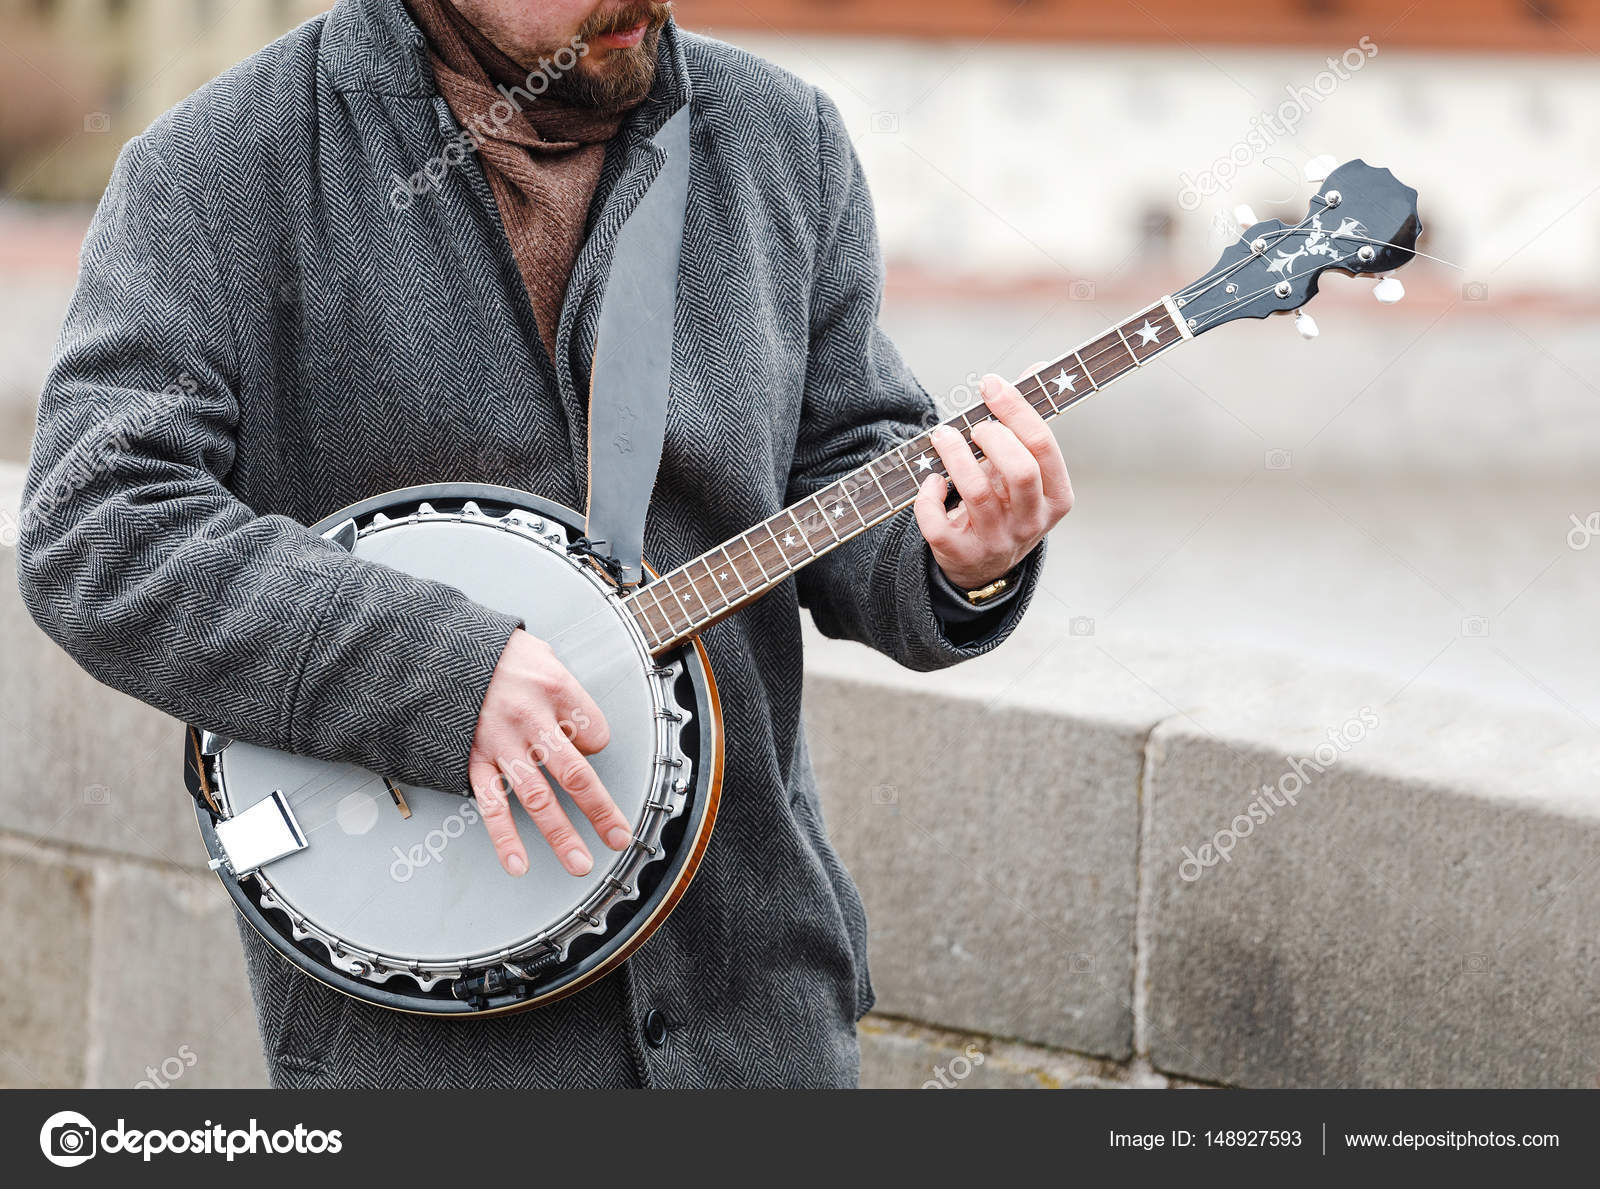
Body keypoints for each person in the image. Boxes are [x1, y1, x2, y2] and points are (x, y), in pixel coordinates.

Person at [17, 0, 1073, 1088]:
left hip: (758, 1022)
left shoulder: (782, 139)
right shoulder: (218, 173)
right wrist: (439, 672)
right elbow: (98, 524)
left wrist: (953, 557)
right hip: (429, 1057)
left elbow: (846, 464)